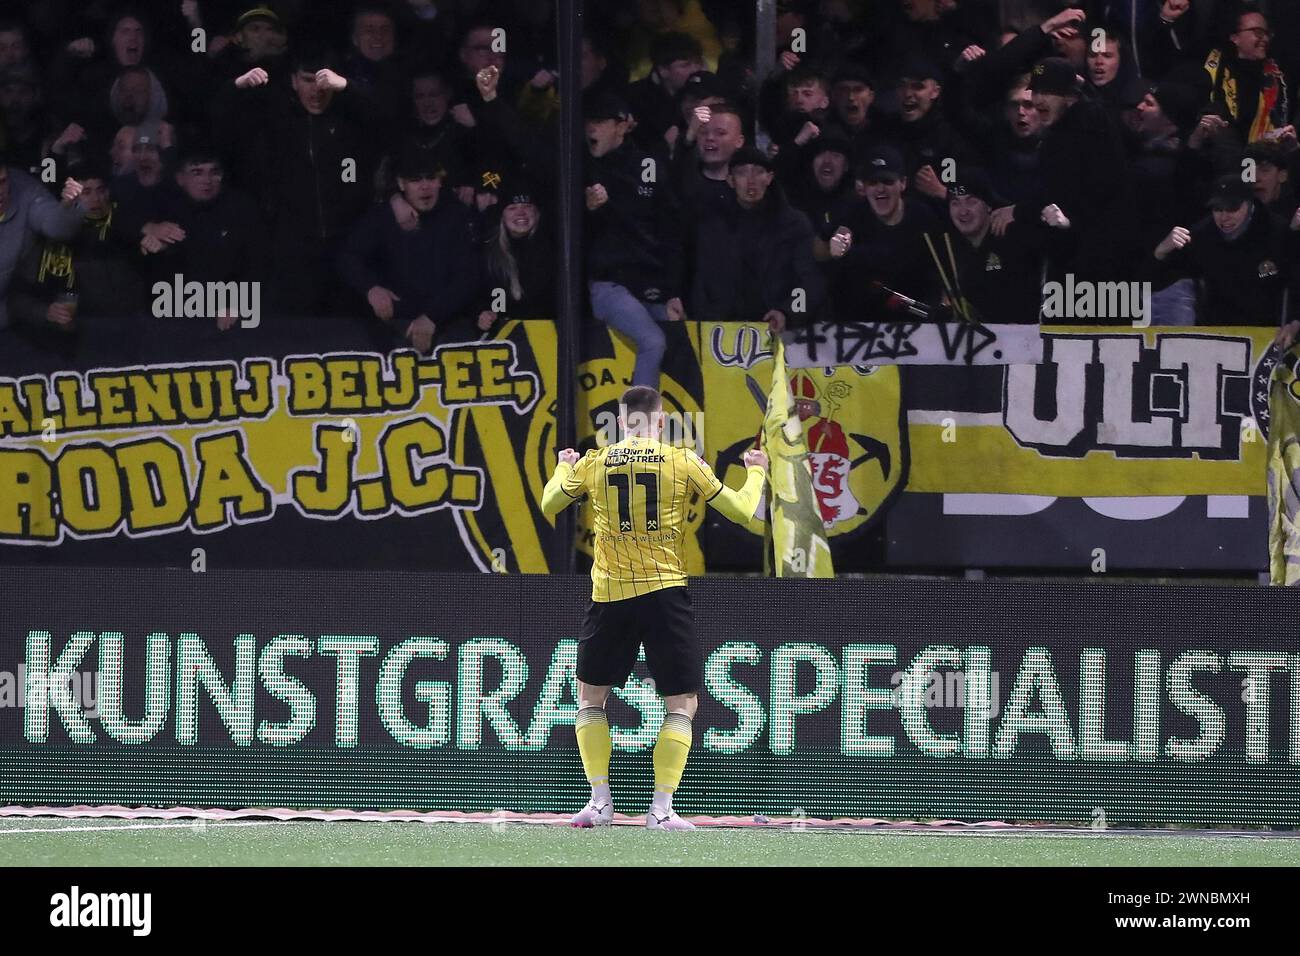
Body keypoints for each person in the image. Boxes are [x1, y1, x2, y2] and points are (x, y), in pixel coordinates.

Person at [540, 384, 768, 831]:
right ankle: (660, 812)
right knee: (681, 704)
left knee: (591, 698)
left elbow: (551, 503)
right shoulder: (683, 461)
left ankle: (600, 804)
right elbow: (743, 512)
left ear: (622, 422)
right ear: (660, 421)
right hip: (664, 593)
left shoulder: (595, 462)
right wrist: (756, 471)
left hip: (610, 595)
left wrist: (560, 467)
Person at [584, 90, 685, 388]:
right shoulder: (581, 166)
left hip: (647, 283)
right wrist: (588, 210)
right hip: (608, 285)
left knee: (677, 329)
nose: (591, 128)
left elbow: (669, 230)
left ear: (622, 126)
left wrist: (672, 292)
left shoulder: (647, 165)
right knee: (652, 340)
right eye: (589, 121)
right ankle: (638, 427)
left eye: (601, 121)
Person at [338, 145, 478, 353]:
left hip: (447, 325)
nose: (425, 187)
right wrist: (370, 288)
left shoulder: (456, 216)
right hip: (394, 327)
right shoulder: (382, 216)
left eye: (430, 178)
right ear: (401, 184)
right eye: (415, 180)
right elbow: (347, 256)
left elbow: (469, 275)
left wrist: (432, 317)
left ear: (440, 182)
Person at [692, 147, 824, 331]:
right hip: (722, 331)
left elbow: (809, 283)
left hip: (778, 329)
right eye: (742, 173)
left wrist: (788, 313)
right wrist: (706, 321)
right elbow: (702, 281)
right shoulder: (713, 224)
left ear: (769, 178)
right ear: (730, 180)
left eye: (758, 172)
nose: (751, 180)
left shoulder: (794, 224)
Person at [1151, 174, 1300, 328]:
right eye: (1218, 209)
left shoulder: (1277, 232)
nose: (1224, 217)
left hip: (1269, 332)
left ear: (1249, 204)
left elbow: (1295, 282)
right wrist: (1160, 253)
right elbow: (1157, 284)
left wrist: (1295, 321)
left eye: (1232, 208)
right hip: (1219, 335)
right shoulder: (1201, 236)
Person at [825, 145, 942, 321]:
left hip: (918, 325)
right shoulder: (853, 216)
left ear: (902, 183)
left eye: (888, 181)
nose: (880, 188)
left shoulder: (923, 218)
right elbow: (834, 246)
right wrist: (835, 249)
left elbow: (938, 275)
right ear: (864, 188)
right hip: (862, 325)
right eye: (873, 182)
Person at [1203, 4, 1291, 148]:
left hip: (1262, 157)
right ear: (1235, 37)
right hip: (1220, 155)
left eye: (1267, 33)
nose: (1265, 39)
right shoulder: (1215, 68)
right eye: (1258, 32)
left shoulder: (1276, 74)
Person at [475, 177, 554, 333]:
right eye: (512, 208)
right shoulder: (489, 252)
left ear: (536, 213)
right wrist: (485, 313)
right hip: (507, 336)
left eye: (527, 206)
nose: (521, 213)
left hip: (546, 333)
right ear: (502, 216)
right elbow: (492, 299)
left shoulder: (552, 249)